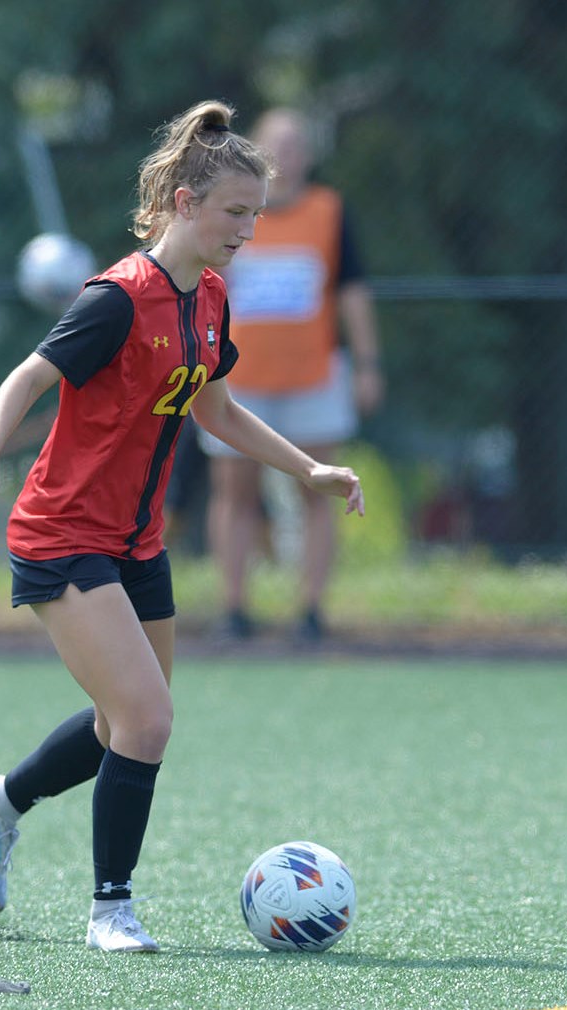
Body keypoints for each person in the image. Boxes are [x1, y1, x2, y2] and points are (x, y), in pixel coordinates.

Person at [0, 101, 363, 952]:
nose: (248, 228)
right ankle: (111, 911)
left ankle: (1, 800)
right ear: (183, 203)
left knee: (124, 724)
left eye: (254, 213)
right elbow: (23, 380)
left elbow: (219, 410)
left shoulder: (209, 297)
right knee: (147, 723)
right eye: (234, 212)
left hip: (138, 542)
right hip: (65, 533)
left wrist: (308, 469)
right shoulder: (117, 298)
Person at [198, 108, 381, 643]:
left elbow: (352, 291)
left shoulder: (328, 210)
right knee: (234, 492)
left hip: (313, 375)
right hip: (237, 379)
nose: (287, 155)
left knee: (318, 489)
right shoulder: (230, 213)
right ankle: (233, 609)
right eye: (275, 145)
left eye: (297, 144)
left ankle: (311, 611)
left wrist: (367, 364)